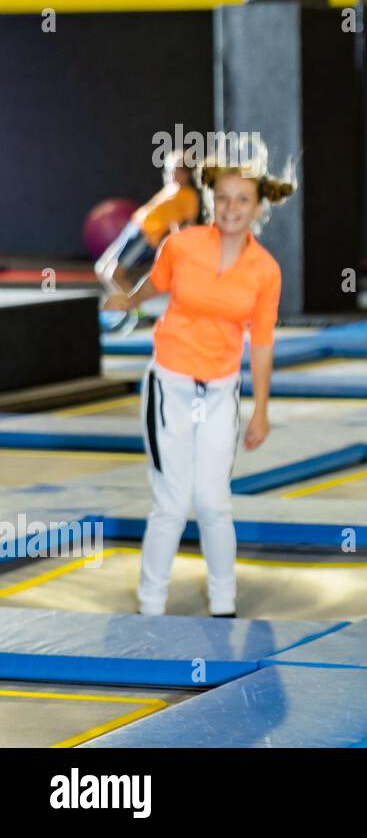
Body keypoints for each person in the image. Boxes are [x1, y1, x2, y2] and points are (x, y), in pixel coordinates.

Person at [103, 153, 293, 616]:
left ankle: (224, 605)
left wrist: (262, 409)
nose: (231, 208)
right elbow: (155, 284)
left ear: (257, 208)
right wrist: (127, 299)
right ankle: (151, 605)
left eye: (242, 200)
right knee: (171, 502)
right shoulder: (183, 246)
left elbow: (262, 344)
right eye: (223, 198)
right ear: (211, 202)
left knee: (213, 502)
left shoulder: (265, 270)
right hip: (171, 383)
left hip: (222, 390)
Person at [94, 150, 200, 296]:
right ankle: (126, 308)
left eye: (177, 171)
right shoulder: (169, 189)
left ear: (187, 174)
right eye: (169, 170)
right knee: (101, 268)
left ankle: (136, 312)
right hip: (134, 229)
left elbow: (187, 226)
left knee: (113, 275)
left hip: (146, 236)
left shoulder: (188, 197)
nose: (171, 174)